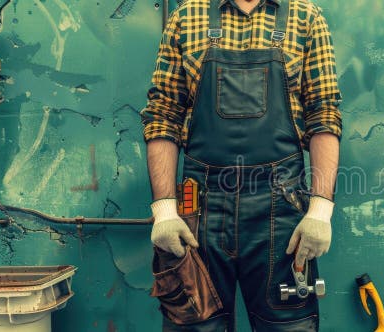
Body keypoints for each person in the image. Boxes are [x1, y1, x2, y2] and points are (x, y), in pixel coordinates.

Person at [139, 0, 342, 330]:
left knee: (288, 325)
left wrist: (320, 209)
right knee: (196, 325)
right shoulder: (186, 17)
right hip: (201, 214)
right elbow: (163, 115)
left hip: (280, 211)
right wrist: (164, 210)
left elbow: (324, 115)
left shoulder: (305, 17)